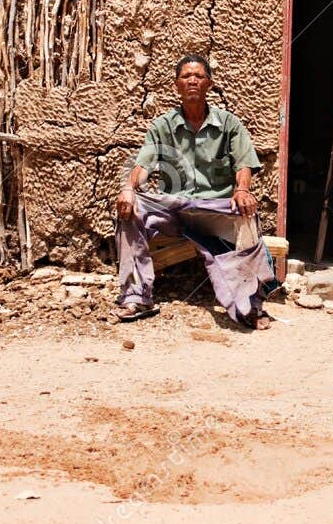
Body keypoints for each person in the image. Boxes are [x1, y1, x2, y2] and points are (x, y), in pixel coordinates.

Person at [114, 54, 277, 329]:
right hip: (173, 209)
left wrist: (242, 190)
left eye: (199, 76)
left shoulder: (228, 124)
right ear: (177, 85)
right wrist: (128, 188)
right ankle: (136, 298)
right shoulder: (162, 126)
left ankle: (250, 303)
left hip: (214, 210)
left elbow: (243, 164)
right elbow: (143, 165)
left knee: (248, 213)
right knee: (131, 208)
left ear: (209, 85)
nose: (192, 81)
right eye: (186, 77)